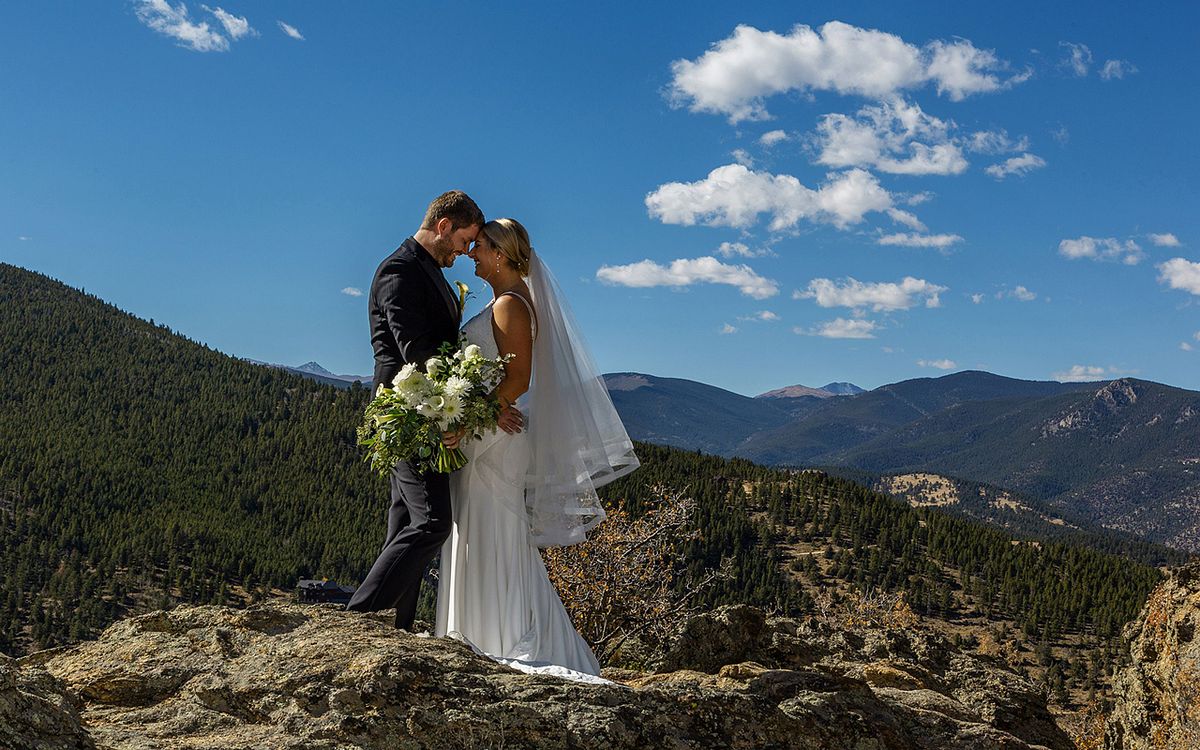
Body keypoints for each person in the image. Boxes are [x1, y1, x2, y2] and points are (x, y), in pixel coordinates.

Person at [435, 217, 640, 679]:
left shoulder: (511, 306)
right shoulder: (507, 302)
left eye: (480, 247)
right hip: (489, 431)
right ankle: (483, 633)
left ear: (501, 255)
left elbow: (518, 379)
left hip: (493, 441)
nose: (472, 254)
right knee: (480, 530)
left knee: (494, 532)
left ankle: (501, 637)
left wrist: (469, 419)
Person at [347, 191, 522, 630]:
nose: (465, 252)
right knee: (432, 522)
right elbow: (416, 352)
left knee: (405, 519)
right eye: (463, 240)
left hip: (432, 410)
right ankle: (356, 620)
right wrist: (464, 410)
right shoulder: (399, 270)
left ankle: (395, 630)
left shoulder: (430, 273)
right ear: (443, 225)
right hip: (410, 411)